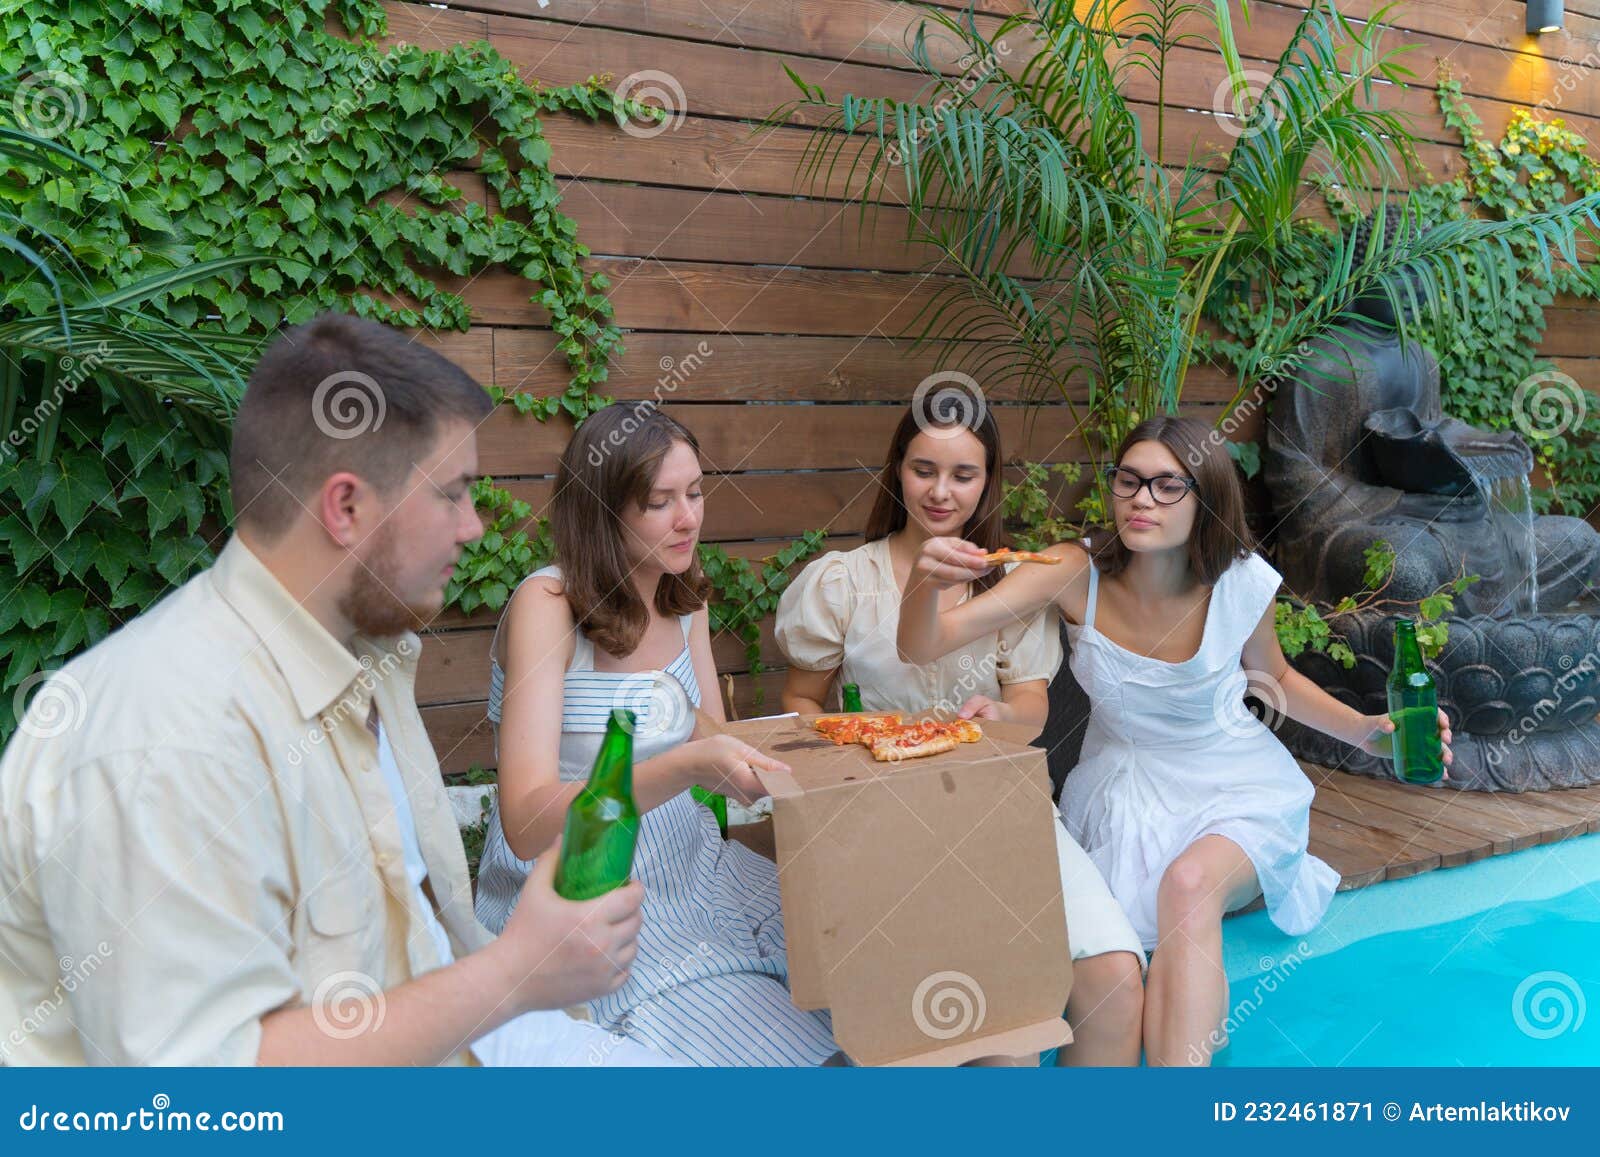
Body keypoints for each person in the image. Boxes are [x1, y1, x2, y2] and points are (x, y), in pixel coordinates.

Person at [0, 313, 668, 1066]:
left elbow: (408, 946)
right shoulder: (170, 740)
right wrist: (516, 974)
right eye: (453, 494)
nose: (475, 527)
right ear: (346, 507)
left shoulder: (364, 657)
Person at [897, 414, 1454, 1066]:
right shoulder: (1074, 570)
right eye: (1129, 481)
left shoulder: (1240, 581)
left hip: (1234, 783)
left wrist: (1366, 734)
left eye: (1168, 486)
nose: (1142, 499)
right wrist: (925, 585)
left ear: (1205, 498)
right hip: (1121, 793)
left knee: (1189, 883)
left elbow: (1273, 677)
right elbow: (923, 644)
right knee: (1121, 966)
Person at [775, 396, 1145, 1066]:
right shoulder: (842, 581)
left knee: (1114, 976)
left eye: (963, 475)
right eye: (924, 470)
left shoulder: (1009, 581)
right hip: (884, 818)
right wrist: (859, 738)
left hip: (1003, 806)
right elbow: (801, 699)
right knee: (999, 1030)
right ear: (897, 469)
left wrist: (1004, 720)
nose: (941, 492)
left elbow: (1030, 705)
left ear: (988, 481)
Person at [474, 401, 841, 1066]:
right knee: (770, 1044)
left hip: (688, 857)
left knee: (846, 950)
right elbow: (526, 821)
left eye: (695, 493)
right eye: (660, 502)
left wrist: (822, 756)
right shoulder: (547, 604)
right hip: (582, 875)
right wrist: (688, 767)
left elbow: (704, 732)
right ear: (603, 511)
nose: (689, 518)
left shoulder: (683, 589)